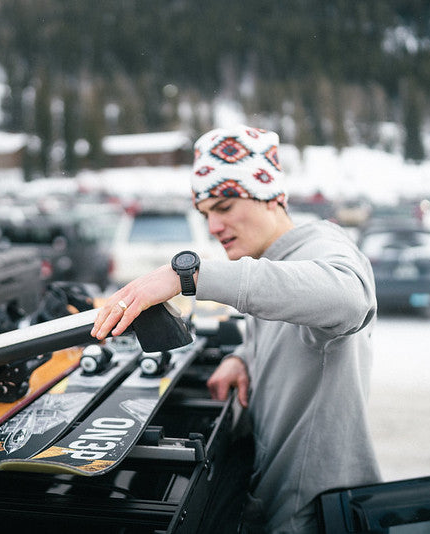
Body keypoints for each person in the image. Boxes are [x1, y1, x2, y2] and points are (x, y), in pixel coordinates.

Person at [91, 125, 381, 533]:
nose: (212, 226)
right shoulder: (275, 260)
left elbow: (350, 300)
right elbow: (297, 330)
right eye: (205, 213)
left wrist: (189, 276)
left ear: (272, 195)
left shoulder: (323, 249)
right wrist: (244, 358)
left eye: (224, 206)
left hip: (313, 516)